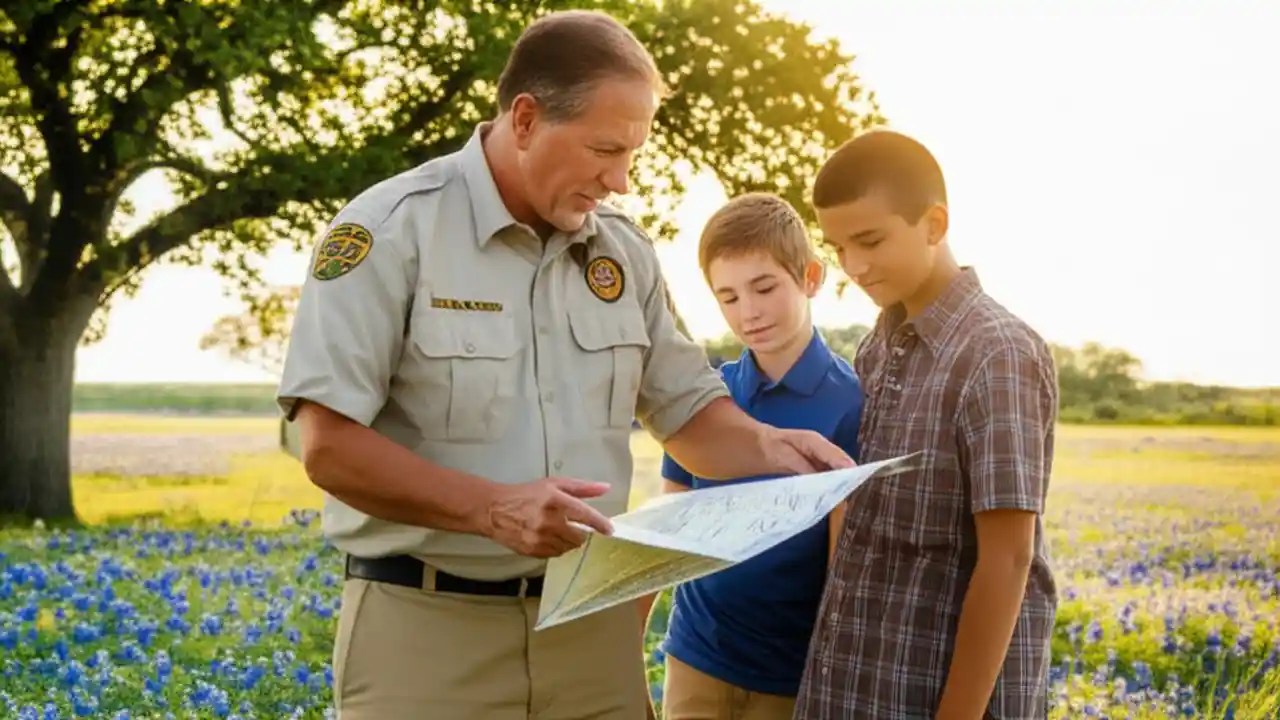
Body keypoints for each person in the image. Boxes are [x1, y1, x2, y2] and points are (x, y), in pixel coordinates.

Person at [274, 10, 854, 720]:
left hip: (591, 634)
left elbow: (687, 414)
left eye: (632, 154)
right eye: (605, 150)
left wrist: (770, 447)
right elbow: (328, 448)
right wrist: (493, 510)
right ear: (525, 119)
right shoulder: (390, 231)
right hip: (426, 633)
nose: (622, 181)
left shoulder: (624, 254)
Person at [793, 130, 1058, 720]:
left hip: (938, 691)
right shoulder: (876, 347)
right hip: (858, 679)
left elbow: (1009, 558)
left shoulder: (998, 352)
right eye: (838, 247)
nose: (854, 266)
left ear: (934, 224)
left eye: (870, 240)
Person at [643, 193, 864, 720]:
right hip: (696, 653)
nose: (750, 312)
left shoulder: (851, 403)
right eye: (729, 297)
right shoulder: (707, 398)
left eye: (764, 288)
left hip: (788, 671)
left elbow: (841, 570)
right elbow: (666, 532)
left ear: (810, 277)